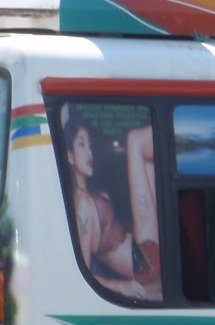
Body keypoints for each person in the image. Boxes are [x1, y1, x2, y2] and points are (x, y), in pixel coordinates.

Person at [64, 110, 162, 300]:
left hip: (144, 253)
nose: (89, 152)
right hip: (144, 259)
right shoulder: (81, 203)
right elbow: (82, 271)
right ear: (70, 157)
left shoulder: (88, 195)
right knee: (135, 141)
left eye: (90, 145)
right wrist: (120, 286)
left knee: (148, 159)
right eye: (81, 145)